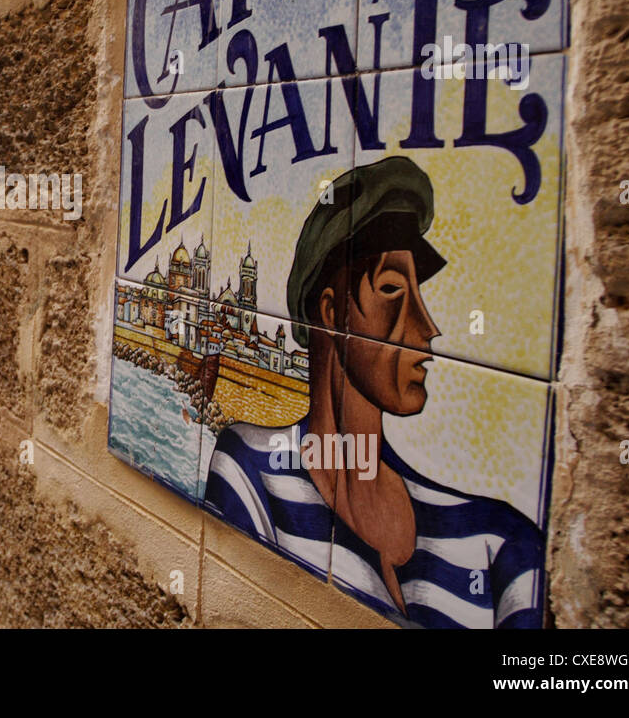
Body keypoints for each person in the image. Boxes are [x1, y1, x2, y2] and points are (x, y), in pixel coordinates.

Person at [203, 157, 543, 629]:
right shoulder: (250, 473)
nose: (427, 328)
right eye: (391, 290)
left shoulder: (501, 545)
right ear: (330, 311)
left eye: (419, 297)